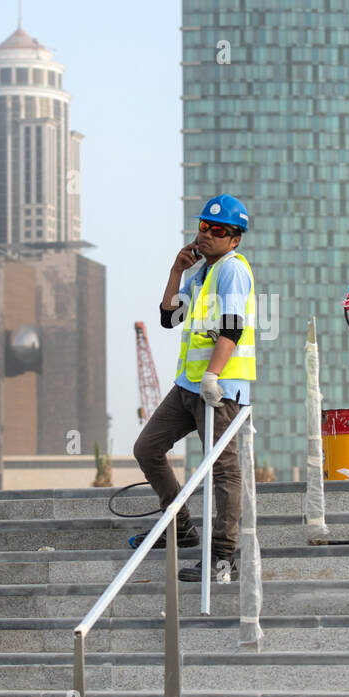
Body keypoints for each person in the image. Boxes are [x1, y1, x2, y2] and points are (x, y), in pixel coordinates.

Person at [132, 194, 256, 583]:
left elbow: (232, 327)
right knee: (147, 448)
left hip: (218, 389)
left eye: (217, 230)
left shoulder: (232, 270)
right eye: (203, 226)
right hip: (187, 386)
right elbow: (169, 318)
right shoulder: (201, 273)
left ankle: (223, 557)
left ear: (234, 239)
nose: (206, 235)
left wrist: (213, 376)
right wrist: (175, 270)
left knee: (223, 469)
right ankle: (181, 528)